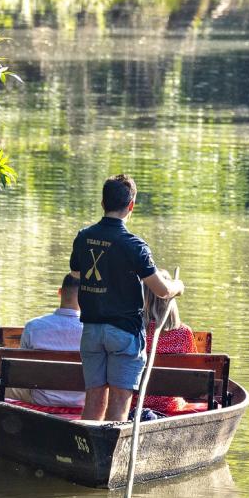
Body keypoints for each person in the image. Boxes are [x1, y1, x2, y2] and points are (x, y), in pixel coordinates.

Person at [69, 174, 184, 423]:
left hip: (91, 330)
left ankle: (89, 453)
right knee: (120, 401)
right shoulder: (135, 246)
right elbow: (162, 290)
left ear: (102, 202)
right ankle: (110, 455)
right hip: (124, 332)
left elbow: (76, 273)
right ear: (131, 205)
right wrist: (178, 286)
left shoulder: (83, 237)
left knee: (94, 398)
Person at [16, 274, 84, 409]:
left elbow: (21, 368)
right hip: (84, 401)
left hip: (41, 400)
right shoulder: (93, 330)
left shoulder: (33, 326)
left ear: (60, 292)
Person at [141, 280, 196, 417]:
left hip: (135, 403)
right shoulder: (184, 333)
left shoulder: (134, 331)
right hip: (171, 404)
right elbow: (194, 373)